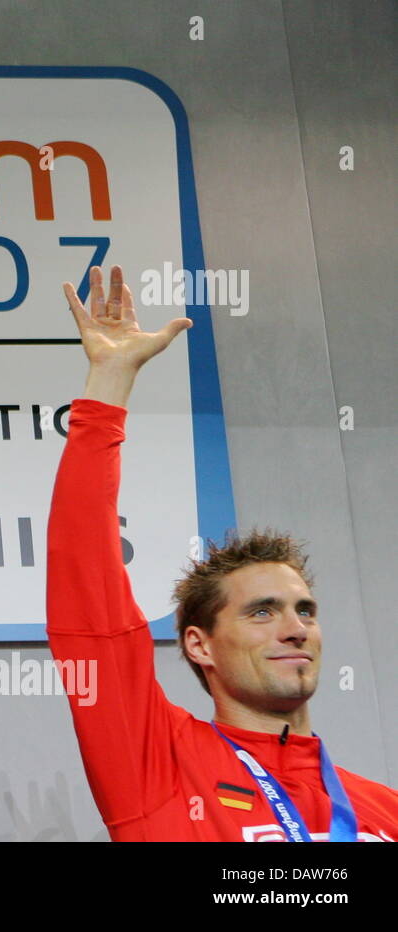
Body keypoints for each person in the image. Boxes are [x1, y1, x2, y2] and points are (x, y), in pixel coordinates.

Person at [46, 264, 398, 841]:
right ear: (198, 643)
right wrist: (108, 385)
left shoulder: (381, 809)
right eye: (262, 611)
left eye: (304, 610)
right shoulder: (158, 764)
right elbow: (84, 596)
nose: (295, 629)